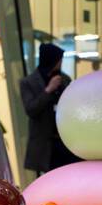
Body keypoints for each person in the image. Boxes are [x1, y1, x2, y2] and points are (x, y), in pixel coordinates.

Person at [19, 43, 79, 181]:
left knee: (70, 176)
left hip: (65, 140)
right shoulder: (28, 83)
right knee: (50, 179)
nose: (60, 63)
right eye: (59, 60)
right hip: (45, 143)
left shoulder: (64, 79)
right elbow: (31, 109)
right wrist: (48, 90)